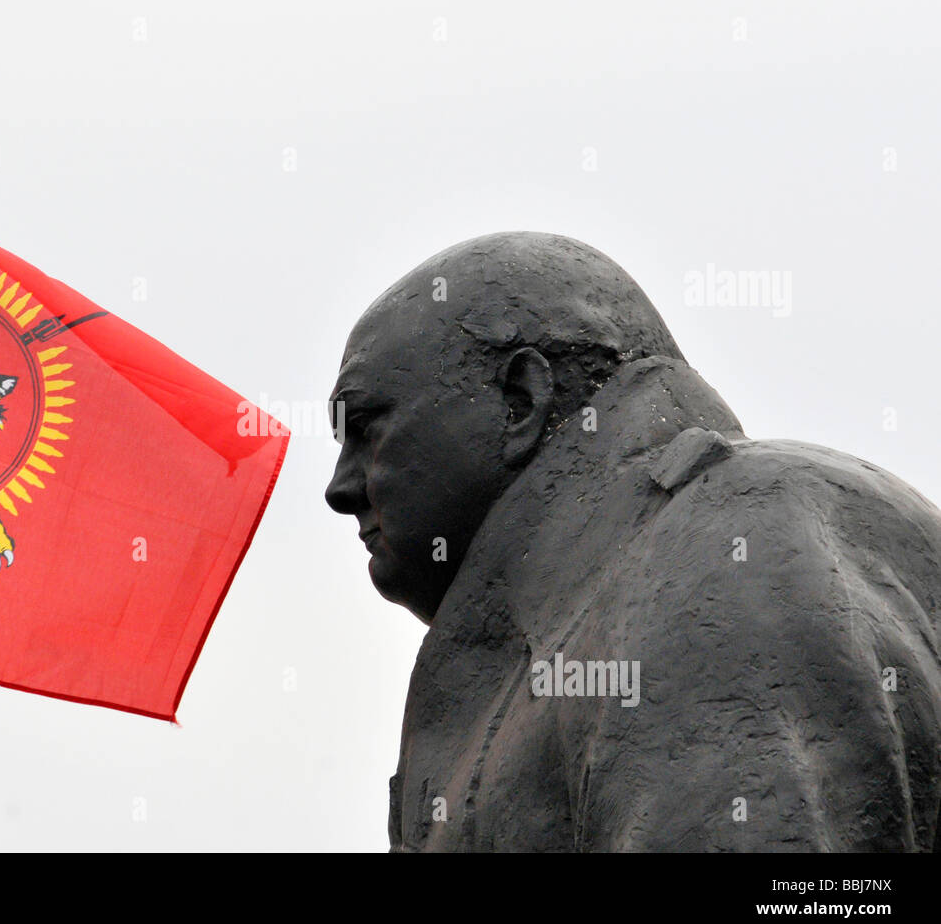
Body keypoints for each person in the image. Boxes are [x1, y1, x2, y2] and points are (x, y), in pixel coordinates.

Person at [326, 232, 941, 851]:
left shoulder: (716, 554)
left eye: (367, 430)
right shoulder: (602, 605)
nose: (339, 487)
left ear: (521, 404)